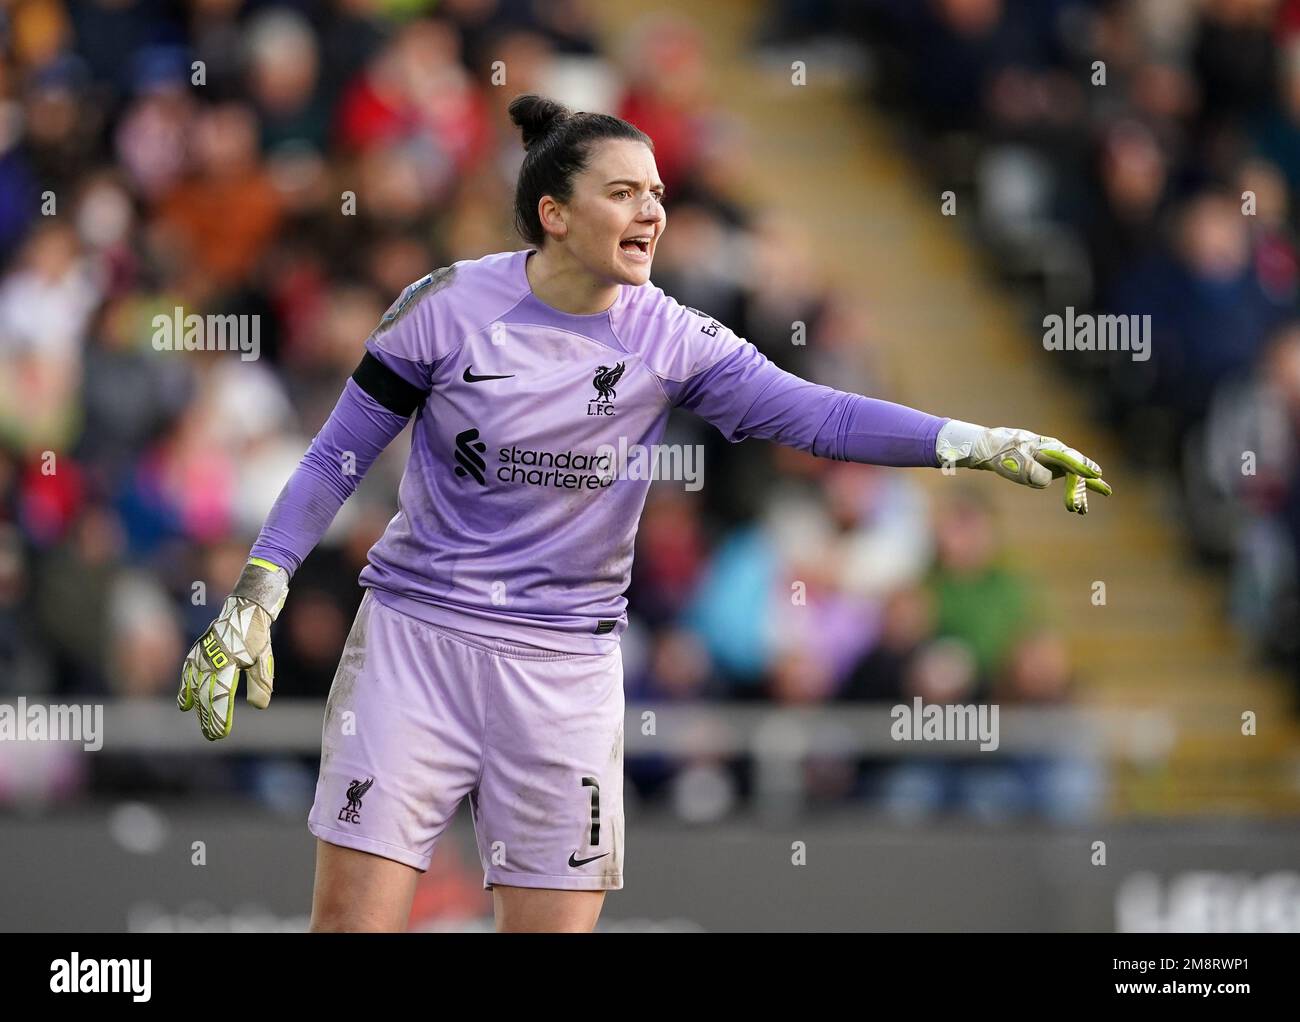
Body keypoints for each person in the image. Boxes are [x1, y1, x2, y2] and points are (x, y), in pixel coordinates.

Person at [177, 94, 1112, 933]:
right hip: (417, 643)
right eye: (624, 192)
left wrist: (972, 441)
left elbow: (816, 413)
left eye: (658, 191)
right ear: (554, 213)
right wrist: (262, 585)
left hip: (565, 668)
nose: (653, 210)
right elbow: (339, 452)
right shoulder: (447, 308)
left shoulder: (671, 335)